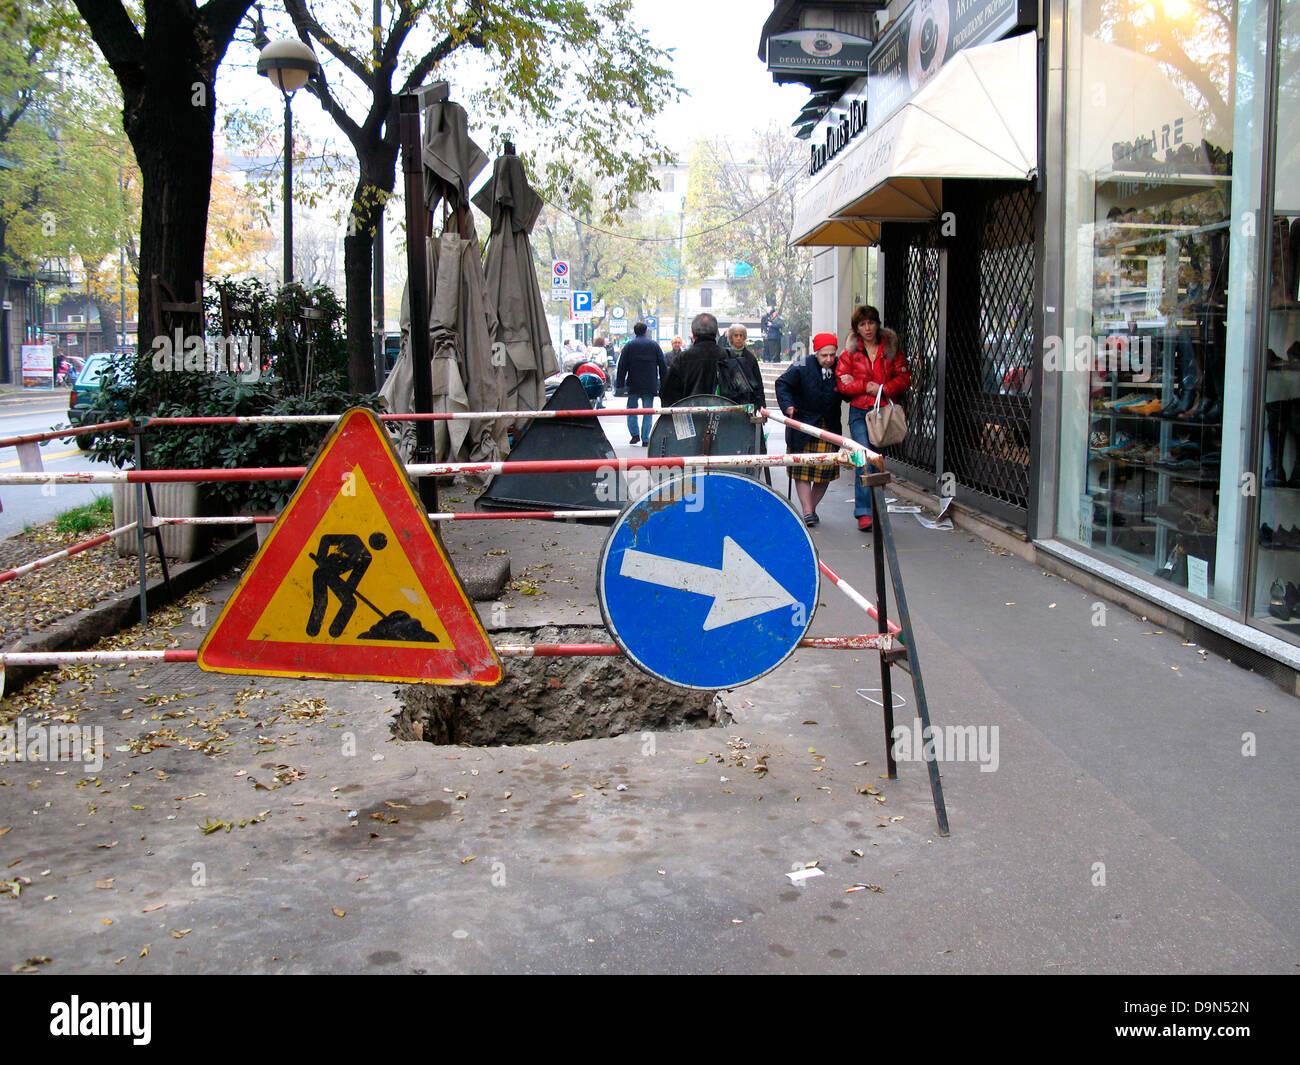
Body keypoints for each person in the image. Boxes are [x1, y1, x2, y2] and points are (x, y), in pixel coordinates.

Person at [837, 305, 909, 531]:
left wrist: (883, 388)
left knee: (877, 460)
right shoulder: (850, 352)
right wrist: (866, 386)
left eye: (871, 323)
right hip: (859, 411)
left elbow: (904, 378)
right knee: (863, 458)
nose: (867, 328)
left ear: (877, 323)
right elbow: (842, 384)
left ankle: (877, 508)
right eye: (862, 324)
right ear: (856, 328)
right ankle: (864, 512)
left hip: (882, 413)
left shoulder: (890, 348)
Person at [775, 333, 842, 526]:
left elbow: (847, 391)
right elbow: (782, 384)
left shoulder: (840, 367)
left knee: (824, 471)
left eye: (832, 355)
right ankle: (807, 511)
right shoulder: (801, 365)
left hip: (829, 427)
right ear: (816, 352)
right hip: (803, 425)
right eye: (824, 355)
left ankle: (810, 508)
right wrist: (788, 406)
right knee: (802, 469)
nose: (829, 359)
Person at [660, 312, 766, 411]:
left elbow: (667, 397)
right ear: (716, 333)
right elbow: (745, 393)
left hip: (689, 423)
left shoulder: (681, 359)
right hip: (724, 424)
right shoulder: (729, 357)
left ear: (693, 333)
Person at [616, 322, 669, 445]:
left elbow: (622, 366)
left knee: (631, 410)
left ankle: (634, 434)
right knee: (648, 411)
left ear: (635, 332)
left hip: (633, 383)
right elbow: (662, 365)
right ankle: (646, 438)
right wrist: (664, 382)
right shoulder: (654, 345)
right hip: (649, 384)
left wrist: (620, 384)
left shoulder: (629, 346)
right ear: (646, 331)